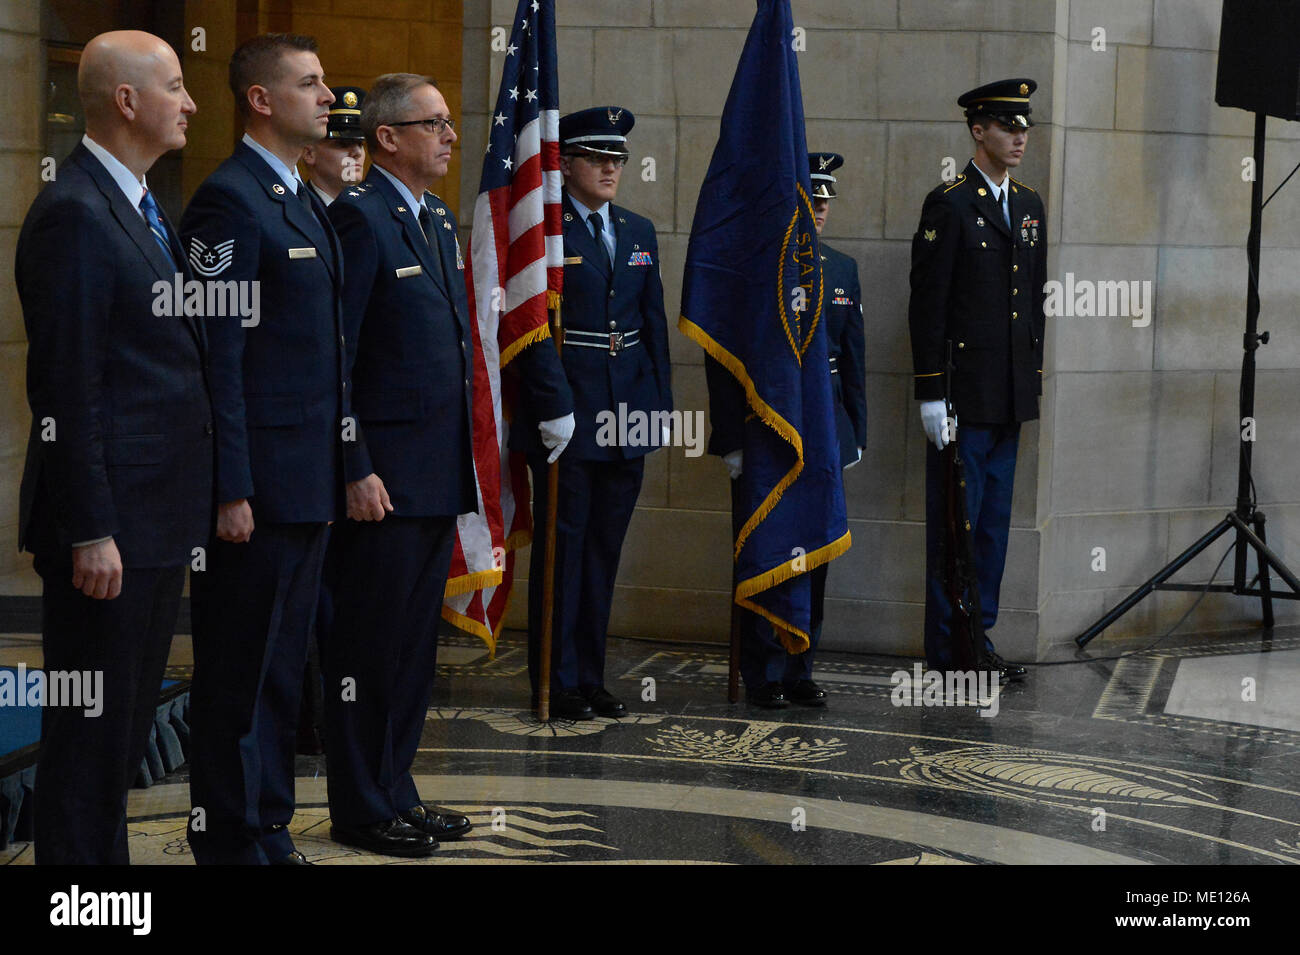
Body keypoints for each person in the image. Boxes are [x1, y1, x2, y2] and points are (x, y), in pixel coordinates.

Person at [15, 30, 209, 864]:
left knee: (122, 733)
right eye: (174, 85)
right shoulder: (75, 211)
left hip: (156, 520)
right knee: (89, 742)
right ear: (126, 101)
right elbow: (68, 389)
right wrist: (92, 527)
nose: (191, 101)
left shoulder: (137, 200)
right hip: (110, 529)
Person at [180, 32, 345, 865]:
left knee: (284, 673)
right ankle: (228, 836)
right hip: (258, 491)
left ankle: (269, 825)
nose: (327, 96)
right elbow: (221, 358)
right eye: (310, 84)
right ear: (260, 100)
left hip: (307, 481)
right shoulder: (229, 202)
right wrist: (231, 486)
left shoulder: (301, 197)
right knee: (238, 677)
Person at [319, 72, 475, 857]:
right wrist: (355, 461)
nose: (448, 135)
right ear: (387, 138)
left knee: (413, 651)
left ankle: (397, 787)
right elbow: (338, 357)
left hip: (433, 471)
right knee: (366, 652)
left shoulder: (436, 217)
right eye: (433, 123)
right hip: (381, 479)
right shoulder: (359, 218)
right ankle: (359, 803)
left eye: (447, 123)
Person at [510, 106, 673, 721]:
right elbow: (530, 330)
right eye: (598, 159)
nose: (611, 169)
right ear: (567, 164)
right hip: (568, 418)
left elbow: (652, 325)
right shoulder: (546, 238)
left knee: (604, 551)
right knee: (564, 553)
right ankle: (556, 678)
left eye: (619, 160)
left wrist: (657, 411)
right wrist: (551, 408)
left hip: (626, 413)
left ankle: (590, 675)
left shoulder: (637, 230)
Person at [703, 153, 866, 709]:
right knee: (766, 550)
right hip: (766, 433)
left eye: (825, 201)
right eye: (810, 200)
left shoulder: (841, 268)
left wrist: (856, 434)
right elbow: (724, 360)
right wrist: (728, 439)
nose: (818, 210)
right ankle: (762, 670)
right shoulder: (757, 271)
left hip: (826, 432)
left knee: (816, 551)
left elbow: (853, 360)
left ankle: (801, 666)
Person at [907, 78, 1047, 683]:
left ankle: (978, 638)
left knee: (991, 528)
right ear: (977, 131)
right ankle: (948, 650)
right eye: (1007, 127)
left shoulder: (1031, 204)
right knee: (955, 526)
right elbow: (928, 304)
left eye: (1024, 128)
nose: (1019, 137)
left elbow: (1031, 304)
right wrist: (932, 391)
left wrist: (1028, 382)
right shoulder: (952, 203)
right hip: (962, 396)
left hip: (1008, 392)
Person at [301, 85, 366, 205]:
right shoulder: (298, 209)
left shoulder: (373, 211)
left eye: (360, 144)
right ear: (309, 153)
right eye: (343, 144)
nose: (358, 152)